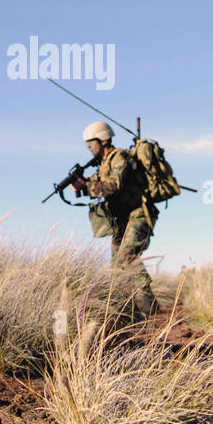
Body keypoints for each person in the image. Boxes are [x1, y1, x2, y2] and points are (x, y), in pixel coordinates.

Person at [72, 121, 160, 319]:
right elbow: (98, 185)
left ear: (102, 141)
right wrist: (82, 185)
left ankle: (150, 308)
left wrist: (86, 187)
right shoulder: (103, 165)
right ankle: (129, 312)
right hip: (122, 219)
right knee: (116, 268)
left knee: (128, 256)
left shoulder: (118, 157)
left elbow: (114, 185)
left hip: (138, 214)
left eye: (91, 142)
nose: (88, 147)